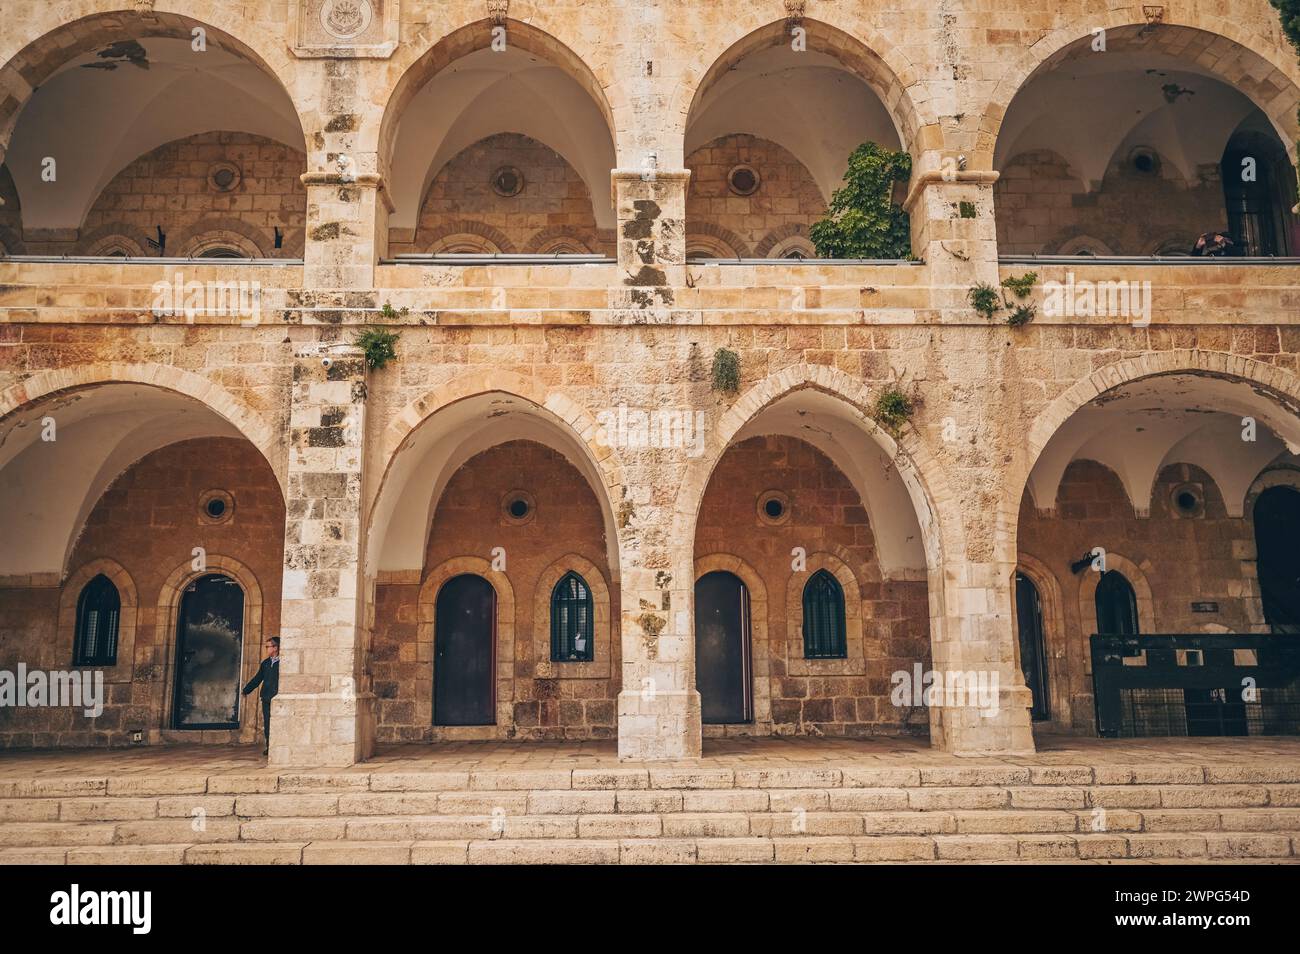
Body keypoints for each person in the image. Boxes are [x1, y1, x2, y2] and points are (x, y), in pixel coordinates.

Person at [242, 636, 280, 755]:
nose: (267, 649)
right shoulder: (265, 663)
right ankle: (270, 747)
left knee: (278, 723)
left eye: (268, 647)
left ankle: (278, 747)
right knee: (268, 723)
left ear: (275, 648)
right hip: (266, 697)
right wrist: (246, 690)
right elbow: (258, 678)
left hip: (277, 697)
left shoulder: (283, 662)